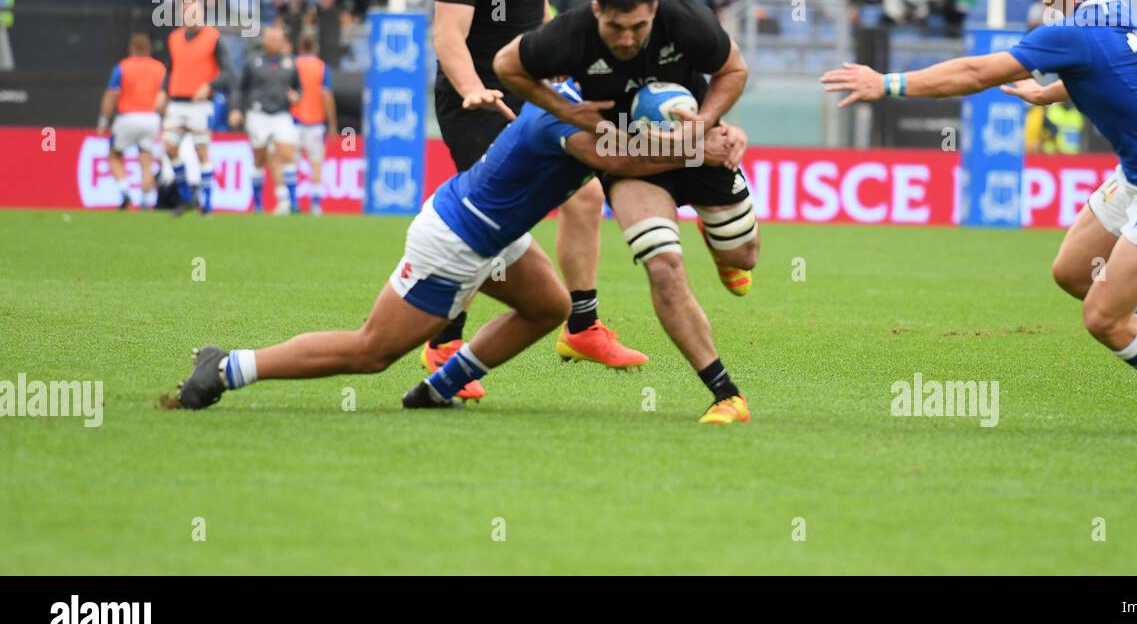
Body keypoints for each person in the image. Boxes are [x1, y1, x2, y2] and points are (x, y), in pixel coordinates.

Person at [822, 0, 1137, 436]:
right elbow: (1119, 72)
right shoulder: (1116, 12)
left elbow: (974, 73)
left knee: (1103, 316)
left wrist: (888, 83)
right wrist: (1051, 92)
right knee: (1075, 271)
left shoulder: (1073, 32)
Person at [172, 83, 742, 415]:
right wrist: (699, 151)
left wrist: (700, 136)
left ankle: (437, 390)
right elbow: (618, 160)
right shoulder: (567, 118)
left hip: (493, 234)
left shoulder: (583, 97)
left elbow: (630, 145)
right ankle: (225, 369)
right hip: (456, 240)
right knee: (371, 351)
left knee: (549, 306)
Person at [494, 0, 758, 424]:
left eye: (638, 26)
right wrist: (569, 112)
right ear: (597, 11)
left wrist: (704, 123)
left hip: (694, 144)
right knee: (662, 264)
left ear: (655, 10)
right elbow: (506, 65)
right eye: (615, 27)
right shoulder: (571, 34)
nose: (627, 38)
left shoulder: (686, 19)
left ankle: (721, 250)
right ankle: (726, 394)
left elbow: (734, 69)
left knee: (744, 257)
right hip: (631, 159)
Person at [429, 0, 644, 385]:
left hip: (532, 84)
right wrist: (474, 89)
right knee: (491, 219)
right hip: (477, 98)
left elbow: (533, 7)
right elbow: (447, 33)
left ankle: (582, 329)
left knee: (587, 196)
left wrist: (562, 64)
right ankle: (443, 342)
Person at [159, 0, 229, 215]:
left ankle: (207, 203)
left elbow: (228, 72)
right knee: (169, 147)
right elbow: (171, 67)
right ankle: (186, 196)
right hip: (177, 101)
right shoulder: (175, 38)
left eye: (194, 12)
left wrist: (209, 85)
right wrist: (163, 90)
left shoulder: (213, 38)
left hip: (200, 104)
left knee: (202, 152)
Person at [228, 22, 301, 215]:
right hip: (258, 114)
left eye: (278, 38)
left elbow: (298, 87)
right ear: (264, 40)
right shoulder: (253, 62)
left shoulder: (290, 62)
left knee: (287, 154)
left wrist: (296, 95)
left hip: (282, 114)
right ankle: (258, 204)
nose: (275, 42)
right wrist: (236, 109)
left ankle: (293, 202)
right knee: (259, 159)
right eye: (271, 38)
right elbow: (240, 88)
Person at [97, 33, 166, 210]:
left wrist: (104, 120)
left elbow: (112, 94)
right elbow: (165, 96)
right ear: (149, 49)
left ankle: (125, 192)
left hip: (127, 117)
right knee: (146, 161)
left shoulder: (123, 67)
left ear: (132, 49)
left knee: (114, 155)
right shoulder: (159, 68)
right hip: (151, 118)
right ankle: (145, 200)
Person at [290, 33, 337, 215]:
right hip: (315, 122)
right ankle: (316, 205)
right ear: (315, 47)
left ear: (299, 46)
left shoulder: (293, 64)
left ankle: (292, 201)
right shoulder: (321, 67)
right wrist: (332, 122)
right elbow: (326, 95)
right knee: (316, 164)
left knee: (291, 164)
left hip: (293, 121)